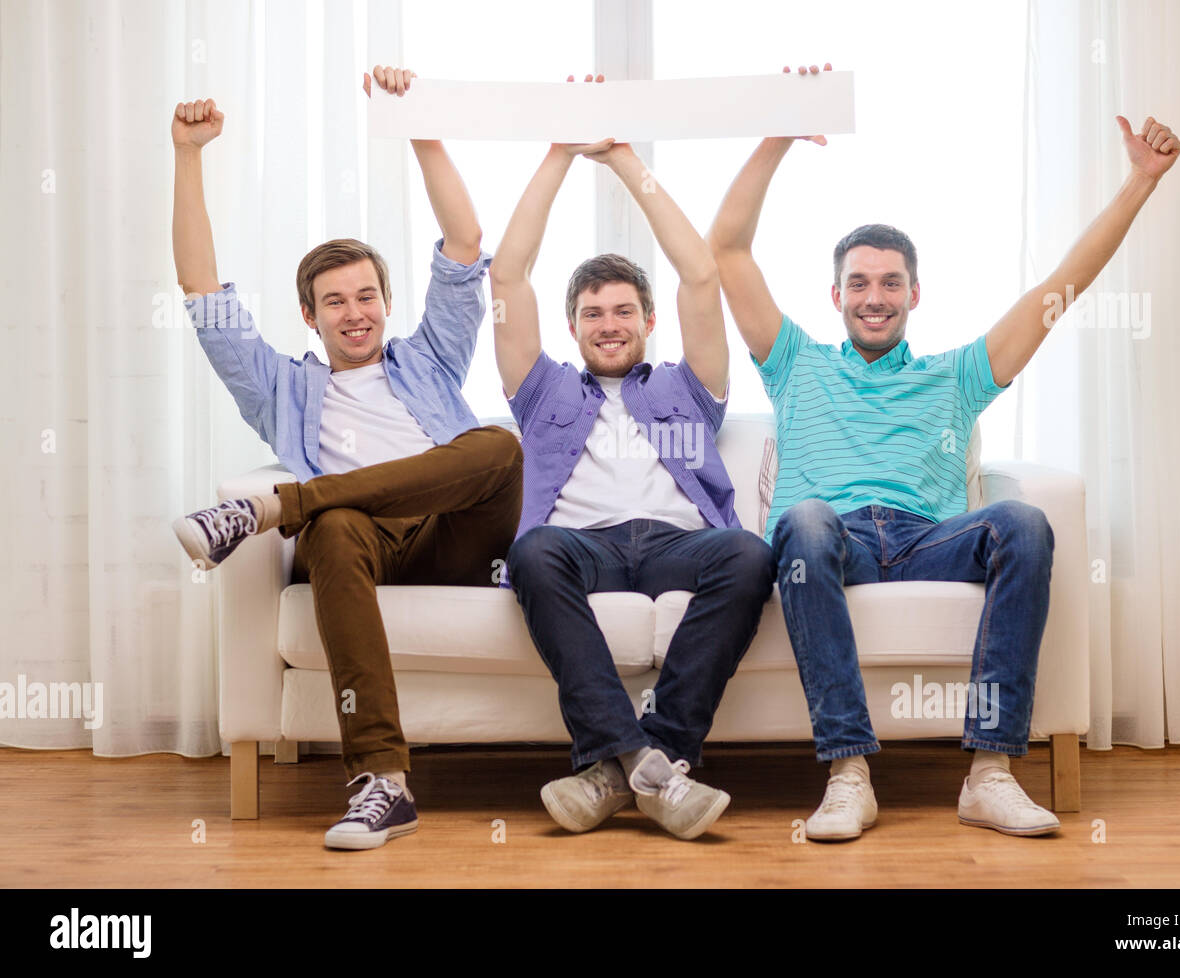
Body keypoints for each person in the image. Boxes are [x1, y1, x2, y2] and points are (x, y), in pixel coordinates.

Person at [708, 62, 1180, 840]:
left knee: (1024, 524)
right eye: (859, 283)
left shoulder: (954, 376)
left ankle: (991, 772)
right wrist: (778, 133)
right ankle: (849, 772)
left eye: (890, 283)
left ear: (914, 295)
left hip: (929, 537)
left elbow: (1060, 290)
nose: (874, 296)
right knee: (802, 520)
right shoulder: (797, 361)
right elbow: (727, 251)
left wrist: (1140, 184)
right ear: (836, 296)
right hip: (832, 537)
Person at [170, 67, 522, 850]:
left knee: (497, 446)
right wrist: (187, 156)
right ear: (310, 314)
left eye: (366, 296)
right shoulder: (281, 389)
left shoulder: (429, 360)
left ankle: (273, 509)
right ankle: (382, 783)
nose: (354, 313)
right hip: (359, 548)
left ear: (386, 303)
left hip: (451, 536)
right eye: (335, 301)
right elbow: (199, 290)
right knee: (330, 531)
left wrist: (421, 124)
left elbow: (464, 245)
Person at [492, 74, 776, 841]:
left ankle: (626, 767)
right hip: (582, 548)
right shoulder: (542, 390)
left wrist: (620, 157)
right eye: (592, 314)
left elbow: (701, 273)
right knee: (534, 554)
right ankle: (655, 768)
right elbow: (507, 275)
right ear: (573, 326)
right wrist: (558, 150)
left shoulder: (689, 386)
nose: (609, 324)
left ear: (649, 320)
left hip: (678, 543)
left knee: (749, 555)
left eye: (624, 311)